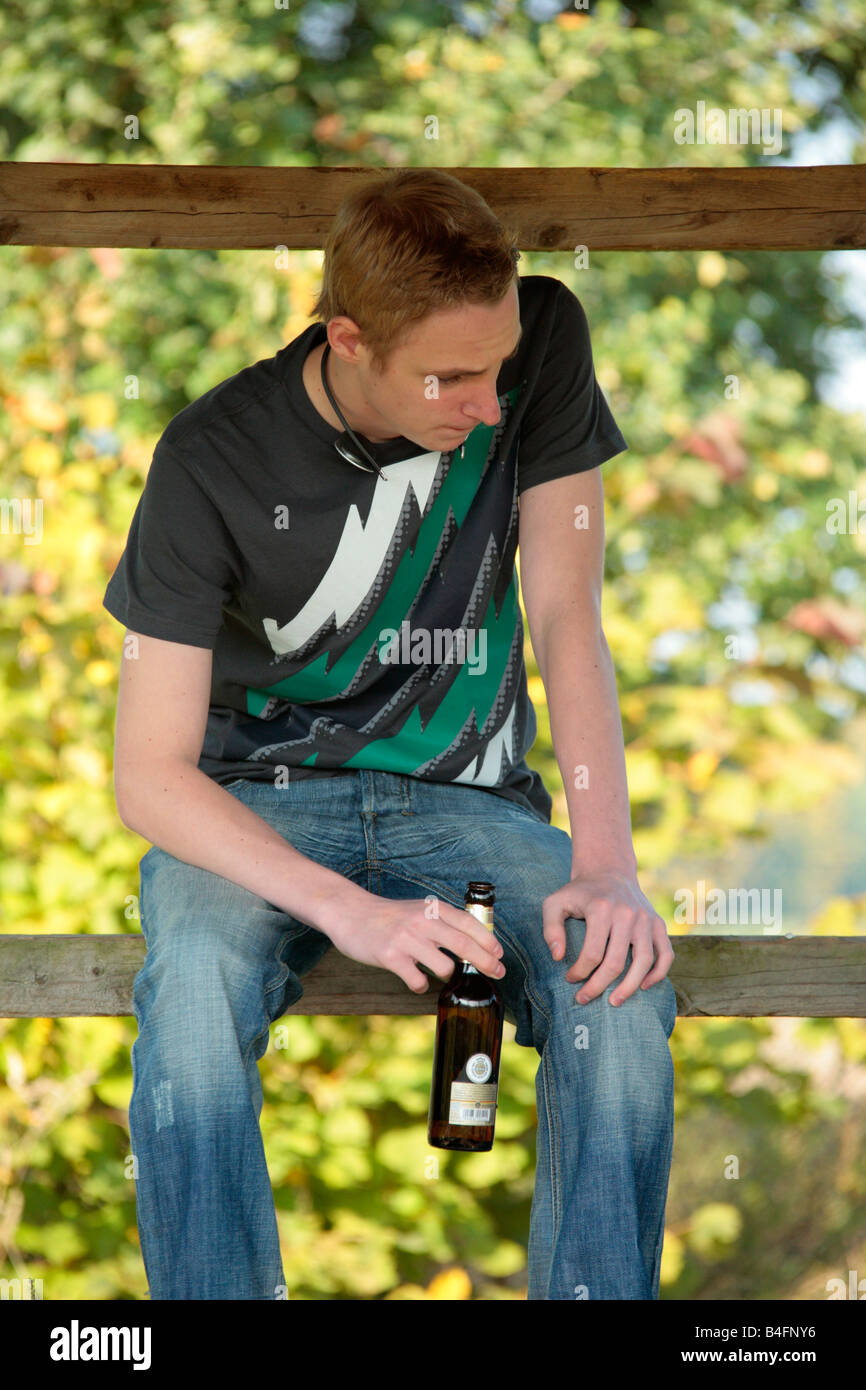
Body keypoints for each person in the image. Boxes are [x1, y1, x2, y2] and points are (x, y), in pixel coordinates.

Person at [104, 167, 677, 1301]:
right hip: (254, 807)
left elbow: (567, 617)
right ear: (348, 337)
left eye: (499, 368)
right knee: (193, 991)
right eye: (451, 378)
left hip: (476, 808)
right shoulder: (208, 458)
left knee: (617, 987)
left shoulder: (541, 338)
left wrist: (607, 864)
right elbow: (150, 775)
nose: (490, 405)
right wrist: (348, 911)